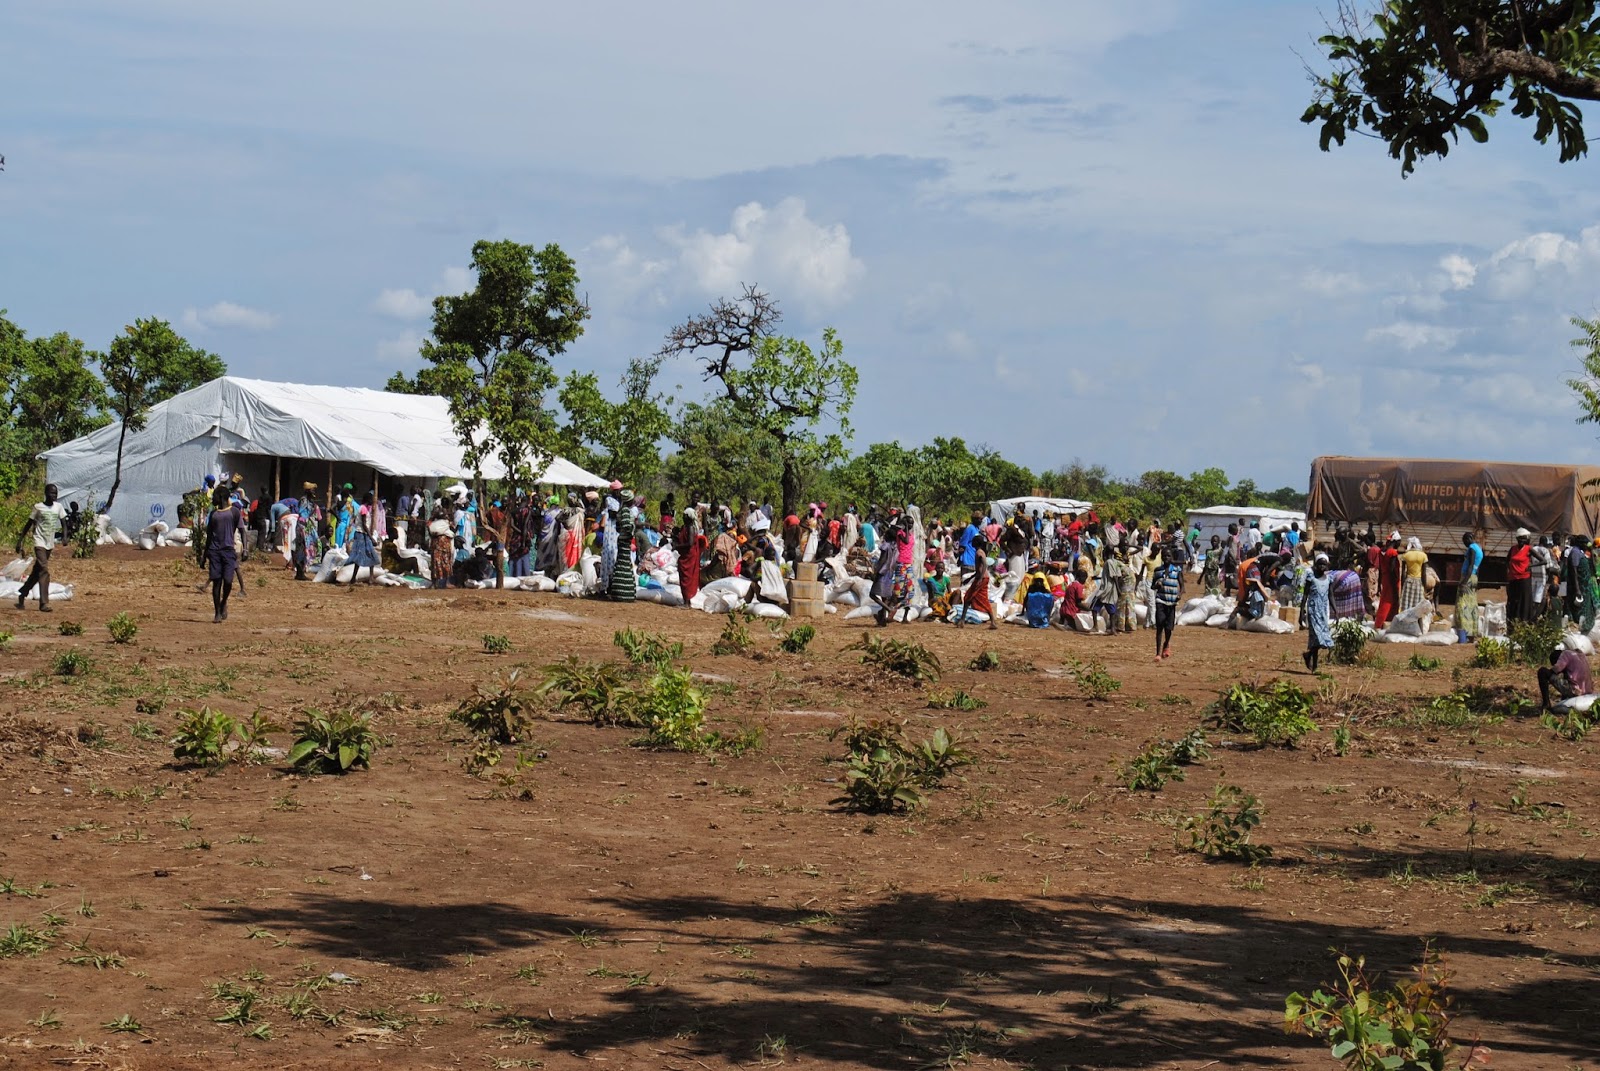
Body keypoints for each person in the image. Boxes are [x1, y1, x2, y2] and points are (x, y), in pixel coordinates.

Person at [14, 482, 66, 612]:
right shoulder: (38, 507)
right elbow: (28, 524)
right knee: (44, 570)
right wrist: (20, 541)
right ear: (46, 493)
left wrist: (65, 537)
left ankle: (22, 594)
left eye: (55, 493)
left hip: (49, 543)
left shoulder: (58, 507)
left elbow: (64, 523)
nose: (54, 495)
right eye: (51, 493)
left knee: (37, 573)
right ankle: (43, 603)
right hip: (39, 542)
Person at [203, 486, 243, 622]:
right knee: (216, 582)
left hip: (228, 551)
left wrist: (246, 549)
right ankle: (217, 613)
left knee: (228, 581)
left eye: (214, 496)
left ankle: (223, 601)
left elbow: (242, 530)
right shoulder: (213, 514)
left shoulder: (234, 512)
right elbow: (209, 536)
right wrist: (204, 556)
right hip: (214, 551)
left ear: (220, 497)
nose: (212, 498)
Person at [1300, 554, 1334, 671]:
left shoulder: (1329, 579)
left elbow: (1331, 595)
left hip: (1323, 611)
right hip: (1313, 611)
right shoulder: (1311, 578)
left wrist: (1336, 611)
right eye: (1319, 564)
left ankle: (1312, 662)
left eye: (1324, 565)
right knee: (1319, 638)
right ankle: (1310, 658)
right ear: (1315, 565)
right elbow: (1305, 595)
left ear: (1327, 566)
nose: (1321, 567)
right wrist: (1301, 613)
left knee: (1317, 639)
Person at [956, 540, 999, 630]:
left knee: (968, 597)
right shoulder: (981, 552)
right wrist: (970, 578)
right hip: (983, 578)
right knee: (982, 599)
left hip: (981, 579)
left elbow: (984, 564)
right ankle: (993, 622)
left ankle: (962, 621)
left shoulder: (979, 553)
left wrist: (979, 578)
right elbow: (979, 568)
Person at [1151, 547, 1184, 660]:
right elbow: (1152, 586)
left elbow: (1182, 586)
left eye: (1168, 556)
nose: (1166, 558)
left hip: (1172, 602)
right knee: (1160, 625)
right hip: (1160, 600)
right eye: (1164, 556)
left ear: (1172, 557)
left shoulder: (1176, 570)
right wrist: (1157, 585)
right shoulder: (1157, 571)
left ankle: (1166, 644)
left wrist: (1179, 594)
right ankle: (1158, 653)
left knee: (1169, 628)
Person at [1538, 646, 1593, 713]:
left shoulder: (1565, 654)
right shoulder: (1579, 654)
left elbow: (1556, 669)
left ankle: (1546, 704)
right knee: (1567, 679)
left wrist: (1548, 678)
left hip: (1575, 690)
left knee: (1542, 671)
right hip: (1587, 691)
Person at [1458, 530, 1484, 640]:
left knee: (1462, 606)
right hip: (1474, 578)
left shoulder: (1472, 548)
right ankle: (1472, 634)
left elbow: (1470, 566)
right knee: (1472, 606)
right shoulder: (1479, 548)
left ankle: (1464, 635)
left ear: (1469, 538)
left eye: (1464, 541)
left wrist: (1463, 583)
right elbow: (1476, 568)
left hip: (1467, 577)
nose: (1464, 543)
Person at [1505, 528, 1533, 625]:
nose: (1522, 541)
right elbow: (1507, 560)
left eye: (1524, 539)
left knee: (1524, 601)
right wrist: (1510, 570)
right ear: (1517, 539)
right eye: (1520, 539)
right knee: (1513, 601)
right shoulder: (1513, 549)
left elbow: (1543, 561)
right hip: (1513, 579)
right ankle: (1513, 622)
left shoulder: (1529, 549)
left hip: (1524, 578)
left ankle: (1524, 622)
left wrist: (1530, 566)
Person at [1398, 537, 1429, 615]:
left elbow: (1403, 573)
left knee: (1407, 604)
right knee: (1418, 605)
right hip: (1418, 582)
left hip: (1408, 581)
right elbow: (1423, 573)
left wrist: (1402, 586)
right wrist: (1425, 587)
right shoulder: (1423, 555)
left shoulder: (1406, 555)